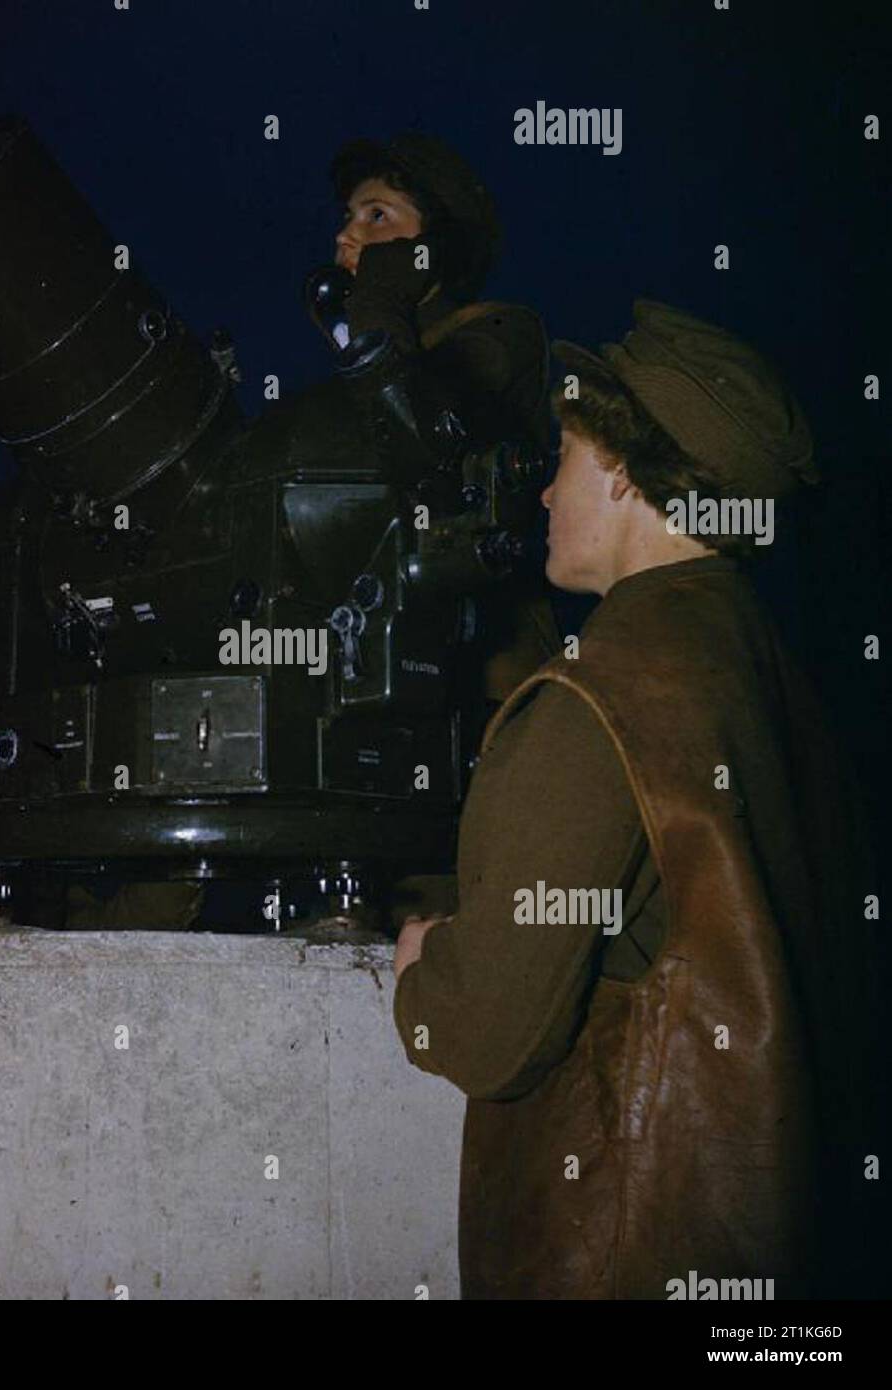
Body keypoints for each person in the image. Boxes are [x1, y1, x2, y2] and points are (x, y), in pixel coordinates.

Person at [391, 299, 881, 1299]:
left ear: (618, 470)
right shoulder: (772, 677)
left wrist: (418, 971)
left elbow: (486, 1030)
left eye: (561, 457)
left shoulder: (596, 691)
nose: (539, 493)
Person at [329, 133, 561, 925]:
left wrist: (377, 303)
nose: (346, 233)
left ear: (434, 245)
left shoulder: (499, 337)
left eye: (377, 213)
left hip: (479, 689)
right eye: (346, 215)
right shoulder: (395, 343)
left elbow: (428, 451)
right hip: (388, 687)